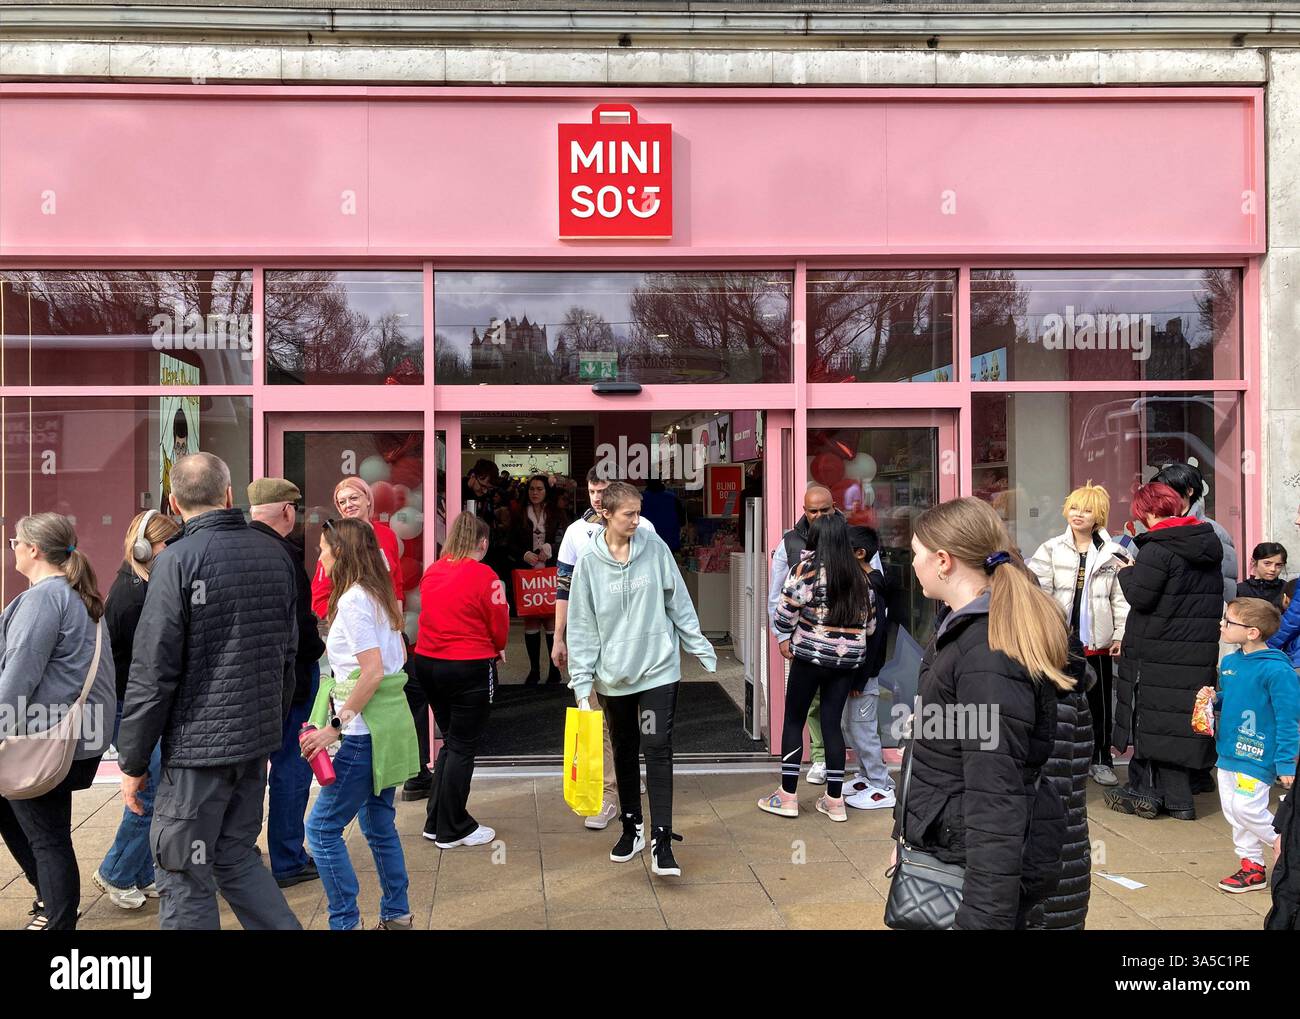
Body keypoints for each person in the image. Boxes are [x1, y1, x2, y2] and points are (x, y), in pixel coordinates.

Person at [116, 452, 302, 930]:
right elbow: (288, 657)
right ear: (228, 495)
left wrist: (133, 762)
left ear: (174, 504)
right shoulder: (274, 554)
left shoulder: (175, 560)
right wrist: (269, 727)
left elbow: (152, 672)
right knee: (235, 858)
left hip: (198, 753)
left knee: (183, 873)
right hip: (252, 742)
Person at [893, 497, 1072, 930]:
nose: (911, 565)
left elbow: (996, 793)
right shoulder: (966, 628)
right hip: (948, 842)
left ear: (942, 561)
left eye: (915, 554)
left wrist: (983, 919)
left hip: (971, 864)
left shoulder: (986, 652)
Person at [566, 482, 716, 878]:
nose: (637, 520)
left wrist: (697, 643)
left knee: (657, 745)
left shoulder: (655, 548)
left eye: (638, 512)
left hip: (658, 669)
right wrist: (581, 683)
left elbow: (677, 599)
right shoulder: (589, 563)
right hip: (613, 677)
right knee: (625, 748)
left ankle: (661, 838)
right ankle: (631, 826)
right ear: (606, 515)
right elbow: (582, 626)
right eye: (628, 514)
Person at [300, 517, 419, 929]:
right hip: (386, 728)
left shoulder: (352, 600)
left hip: (361, 734)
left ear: (342, 553)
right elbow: (388, 666)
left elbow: (370, 672)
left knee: (320, 831)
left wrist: (334, 725)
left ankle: (345, 921)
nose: (320, 556)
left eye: (324, 549)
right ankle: (396, 912)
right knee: (377, 821)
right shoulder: (377, 593)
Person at [0, 513, 116, 931]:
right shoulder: (75, 593)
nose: (11, 547)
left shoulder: (44, 598)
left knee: (48, 836)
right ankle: (49, 897)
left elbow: (18, 675)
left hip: (42, 741)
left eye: (15, 541)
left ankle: (58, 918)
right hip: (73, 738)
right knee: (24, 817)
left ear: (33, 550)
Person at [1106, 482, 1222, 821]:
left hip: (1158, 650)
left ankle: (1152, 795)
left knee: (1154, 722)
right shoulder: (1205, 543)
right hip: (1194, 650)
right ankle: (1178, 800)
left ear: (1151, 512)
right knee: (1175, 724)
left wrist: (1127, 572)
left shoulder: (1158, 549)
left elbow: (1142, 596)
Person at [308, 476, 428, 804]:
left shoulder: (386, 536)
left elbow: (395, 586)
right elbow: (320, 598)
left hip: (384, 637)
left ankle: (411, 770)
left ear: (369, 501)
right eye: (342, 500)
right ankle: (374, 768)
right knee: (364, 707)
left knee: (405, 694)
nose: (348, 504)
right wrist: (349, 622)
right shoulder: (333, 543)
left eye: (354, 497)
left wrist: (396, 629)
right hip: (358, 643)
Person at [552, 466, 656, 831]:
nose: (597, 497)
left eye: (604, 490)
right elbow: (563, 587)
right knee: (598, 720)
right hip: (593, 643)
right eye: (592, 490)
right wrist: (559, 635)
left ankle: (629, 772)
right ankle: (610, 793)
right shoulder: (577, 533)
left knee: (636, 719)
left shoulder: (643, 530)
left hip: (638, 644)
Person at [760, 513, 876, 822]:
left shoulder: (805, 571)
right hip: (846, 663)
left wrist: (792, 635)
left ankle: (787, 796)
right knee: (831, 724)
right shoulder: (861, 576)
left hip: (809, 658)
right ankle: (835, 802)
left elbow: (783, 616)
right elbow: (872, 625)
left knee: (794, 720)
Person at [92, 508, 181, 910]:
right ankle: (116, 871)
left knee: (156, 789)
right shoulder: (131, 596)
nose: (172, 553)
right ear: (144, 547)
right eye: (167, 545)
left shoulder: (143, 584)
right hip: (128, 705)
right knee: (147, 790)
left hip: (136, 702)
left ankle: (141, 871)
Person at [248, 478, 328, 889]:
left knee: (247, 770)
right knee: (292, 770)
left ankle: (242, 851)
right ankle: (289, 858)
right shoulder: (283, 555)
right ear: (287, 510)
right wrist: (317, 646)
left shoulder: (241, 549)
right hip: (292, 681)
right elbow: (299, 628)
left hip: (250, 681)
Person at [411, 512, 509, 848]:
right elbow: (499, 625)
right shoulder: (487, 576)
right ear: (482, 544)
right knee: (463, 746)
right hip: (468, 665)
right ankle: (454, 827)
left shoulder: (433, 572)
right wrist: (498, 648)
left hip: (427, 662)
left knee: (452, 741)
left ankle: (436, 819)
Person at [1026, 481, 1130, 786]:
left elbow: (1120, 598)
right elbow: (1038, 591)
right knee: (1056, 701)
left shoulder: (1114, 552)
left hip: (1097, 641)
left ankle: (1101, 759)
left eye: (1086, 509)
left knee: (1098, 705)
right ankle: (1057, 759)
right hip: (1060, 640)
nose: (1078, 514)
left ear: (1098, 515)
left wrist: (1120, 634)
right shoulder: (1051, 548)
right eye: (1074, 507)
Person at [1211, 598, 1300, 893]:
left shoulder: (1278, 672)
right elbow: (1234, 697)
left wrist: (1286, 762)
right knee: (1233, 811)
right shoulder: (1231, 662)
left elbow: (1289, 719)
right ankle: (1252, 867)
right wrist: (1213, 699)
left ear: (1252, 632)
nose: (1222, 624)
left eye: (1229, 621)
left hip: (1258, 754)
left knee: (1246, 807)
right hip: (1229, 751)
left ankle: (1286, 842)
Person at [767, 484, 837, 786]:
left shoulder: (852, 540)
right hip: (804, 644)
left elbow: (873, 588)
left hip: (839, 647)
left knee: (834, 716)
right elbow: (776, 598)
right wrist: (781, 636)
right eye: (813, 511)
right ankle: (820, 766)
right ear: (803, 510)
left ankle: (795, 792)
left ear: (834, 507)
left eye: (825, 510)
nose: (819, 516)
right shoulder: (789, 544)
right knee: (807, 709)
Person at [841, 525, 896, 810]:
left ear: (860, 553)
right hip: (859, 674)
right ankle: (865, 776)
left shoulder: (872, 585)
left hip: (865, 674)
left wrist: (861, 678)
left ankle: (881, 784)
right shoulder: (863, 581)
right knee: (852, 726)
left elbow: (875, 639)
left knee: (863, 729)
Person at [509, 474, 568, 685]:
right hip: (528, 574)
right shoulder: (518, 513)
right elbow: (509, 541)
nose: (535, 492)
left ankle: (554, 670)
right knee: (531, 619)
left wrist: (551, 548)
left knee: (551, 619)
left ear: (546, 492)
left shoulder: (556, 513)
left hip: (551, 572)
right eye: (532, 489)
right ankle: (534, 670)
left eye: (539, 489)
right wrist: (523, 554)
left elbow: (566, 541)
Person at [1152, 462, 1238, 602]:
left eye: (1166, 492)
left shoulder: (1212, 531)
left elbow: (1224, 585)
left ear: (1188, 491)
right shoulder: (1158, 529)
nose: (1161, 499)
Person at [1237, 542, 1288, 609]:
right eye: (1267, 563)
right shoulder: (1241, 590)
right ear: (1253, 562)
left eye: (1278, 565)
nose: (1273, 569)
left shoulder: (1287, 589)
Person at [639, 478, 683, 551]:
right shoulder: (673, 498)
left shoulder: (641, 499)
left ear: (646, 482)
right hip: (671, 543)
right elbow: (682, 521)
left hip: (649, 545)